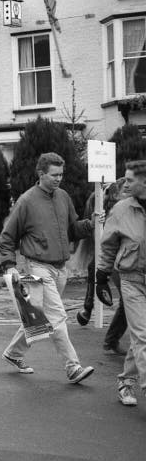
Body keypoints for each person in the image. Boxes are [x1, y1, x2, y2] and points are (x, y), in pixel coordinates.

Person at [0, 152, 99, 384]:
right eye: (54, 175)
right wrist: (9, 265)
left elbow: (72, 229)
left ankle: (13, 353)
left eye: (61, 174)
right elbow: (7, 237)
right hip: (37, 267)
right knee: (57, 316)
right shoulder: (26, 201)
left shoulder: (63, 196)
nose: (59, 179)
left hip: (59, 269)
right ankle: (73, 367)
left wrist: (91, 224)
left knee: (40, 318)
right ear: (41, 173)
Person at [97, 160, 146, 406]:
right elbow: (108, 245)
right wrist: (101, 277)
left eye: (129, 180)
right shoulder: (121, 209)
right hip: (131, 279)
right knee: (142, 336)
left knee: (141, 338)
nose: (124, 184)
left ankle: (125, 381)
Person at [75, 179, 128, 355]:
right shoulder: (121, 209)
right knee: (130, 300)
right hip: (123, 262)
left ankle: (112, 338)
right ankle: (113, 339)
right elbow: (105, 248)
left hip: (130, 260)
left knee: (130, 301)